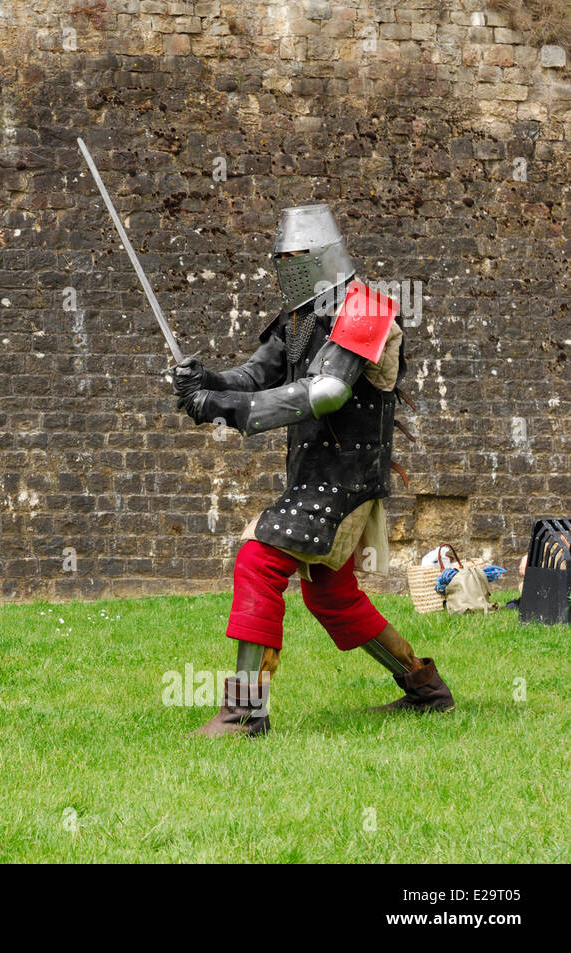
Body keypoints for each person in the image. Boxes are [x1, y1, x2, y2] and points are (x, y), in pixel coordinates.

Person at [173, 203, 454, 736]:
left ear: (324, 254)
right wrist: (205, 383)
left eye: (298, 256)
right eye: (282, 258)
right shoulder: (300, 317)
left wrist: (224, 409)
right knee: (332, 593)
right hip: (315, 479)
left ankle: (245, 712)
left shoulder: (368, 309)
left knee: (258, 562)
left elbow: (327, 391)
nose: (288, 266)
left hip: (345, 482)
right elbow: (257, 375)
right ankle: (425, 689)